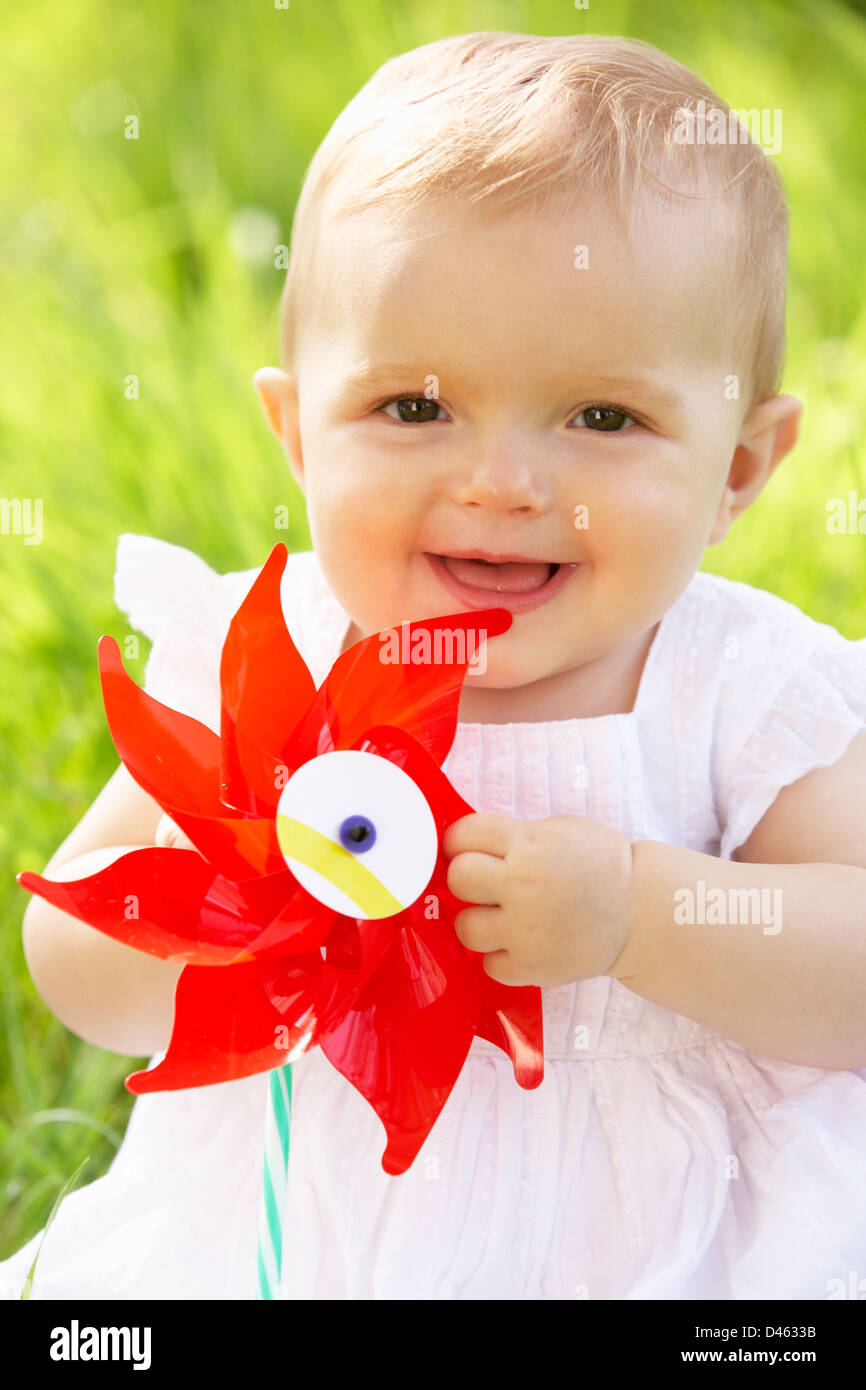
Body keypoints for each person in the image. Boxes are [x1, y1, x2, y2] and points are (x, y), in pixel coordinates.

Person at [3, 31, 866, 1301]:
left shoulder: (734, 686)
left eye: (601, 417)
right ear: (297, 432)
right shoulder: (271, 659)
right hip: (299, 1239)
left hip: (664, 1250)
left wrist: (638, 913)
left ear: (738, 465)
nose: (502, 483)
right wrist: (238, 927)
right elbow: (75, 951)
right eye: (413, 408)